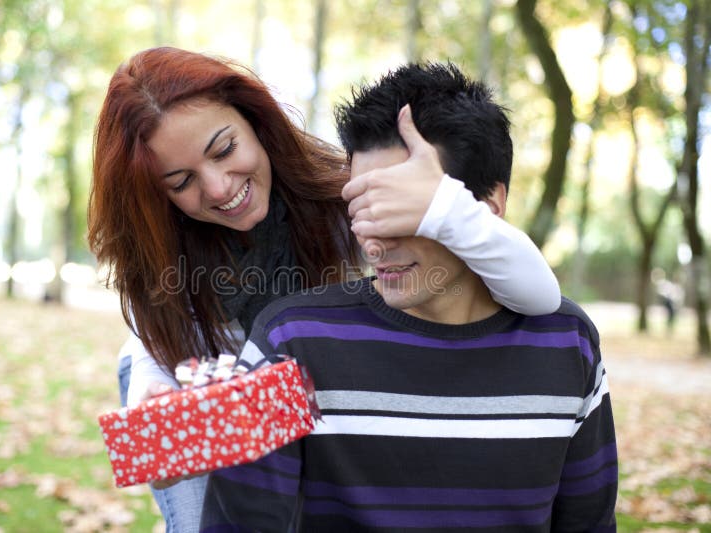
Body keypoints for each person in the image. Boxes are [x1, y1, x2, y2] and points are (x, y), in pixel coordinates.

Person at [88, 47, 561, 532]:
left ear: (256, 122)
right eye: (181, 181)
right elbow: (156, 351)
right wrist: (155, 415)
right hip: (206, 387)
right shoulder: (160, 246)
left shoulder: (344, 198)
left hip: (313, 392)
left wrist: (447, 206)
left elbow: (540, 296)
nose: (217, 188)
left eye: (224, 150)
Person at [201, 62, 617, 531]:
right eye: (363, 210)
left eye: (401, 210)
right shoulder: (294, 341)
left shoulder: (567, 343)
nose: (374, 244)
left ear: (486, 207)